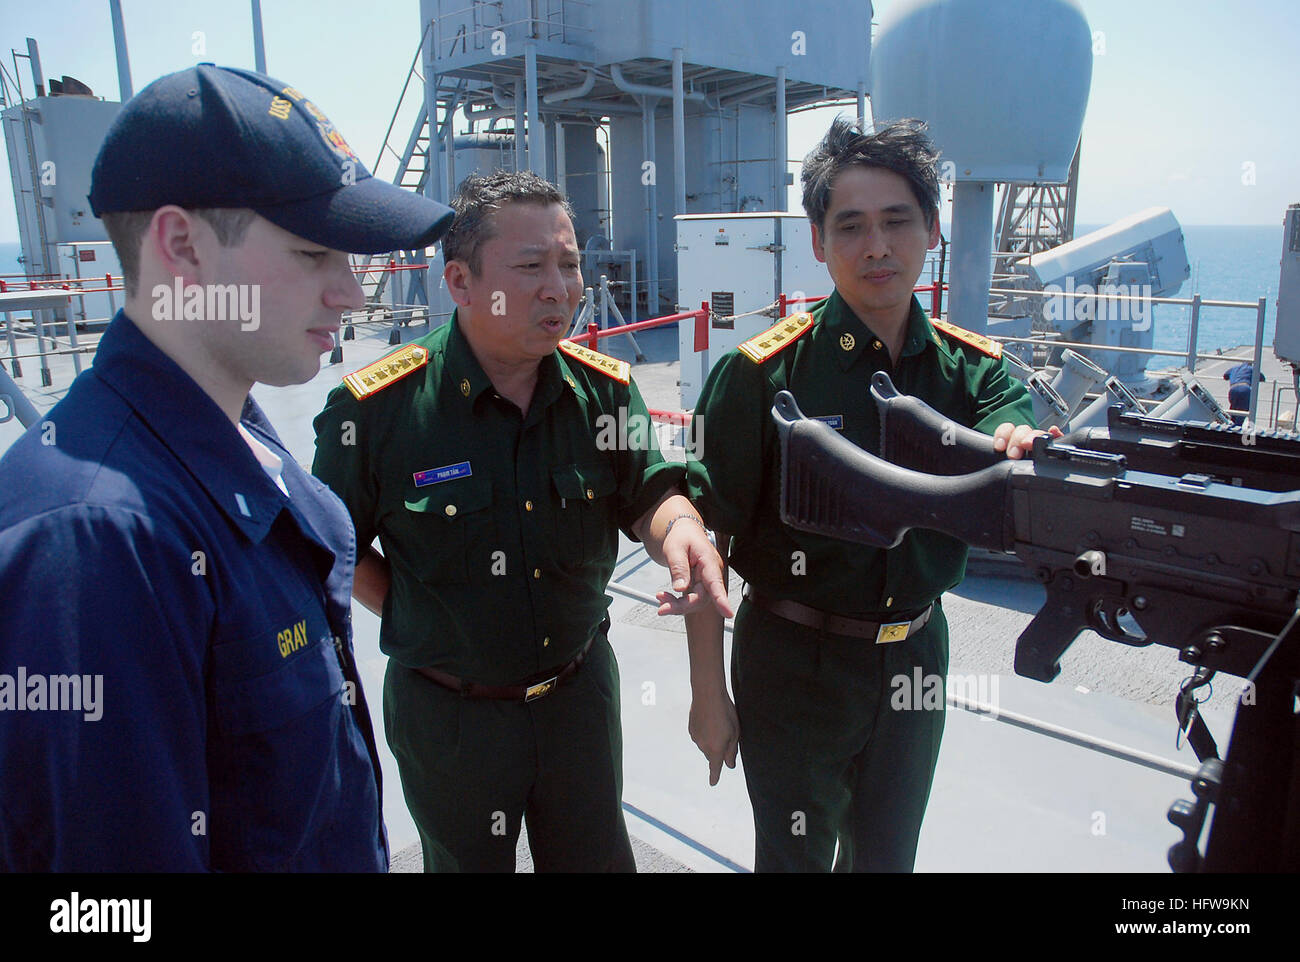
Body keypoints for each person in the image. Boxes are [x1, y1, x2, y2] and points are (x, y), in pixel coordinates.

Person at [0, 64, 454, 871]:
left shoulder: (240, 442)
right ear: (181, 248)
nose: (351, 292)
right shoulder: (98, 544)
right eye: (315, 251)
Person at [311, 170, 732, 873]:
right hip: (450, 719)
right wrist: (431, 615)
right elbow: (335, 548)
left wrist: (680, 529)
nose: (560, 288)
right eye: (531, 266)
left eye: (569, 264)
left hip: (578, 699)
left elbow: (650, 492)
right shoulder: (376, 411)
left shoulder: (602, 391)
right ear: (460, 281)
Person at [684, 118, 1055, 872]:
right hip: (793, 660)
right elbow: (705, 547)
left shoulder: (967, 369)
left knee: (888, 859)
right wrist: (707, 694)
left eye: (897, 221)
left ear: (933, 229)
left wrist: (1016, 437)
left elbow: (1006, 413)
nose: (877, 247)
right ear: (818, 241)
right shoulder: (761, 377)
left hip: (916, 653)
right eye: (850, 226)